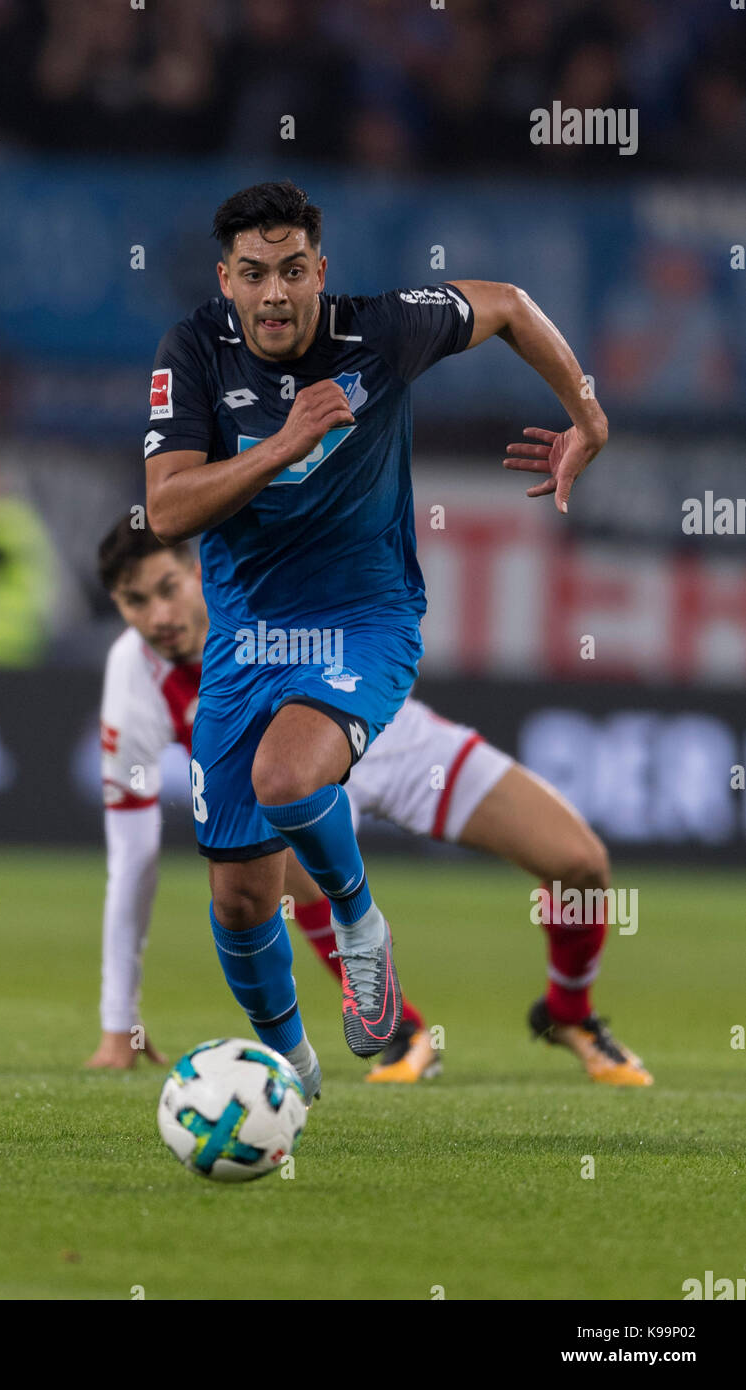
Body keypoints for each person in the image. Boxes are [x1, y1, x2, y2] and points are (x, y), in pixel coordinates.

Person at [143, 179, 610, 1103]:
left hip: (365, 621)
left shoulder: (383, 330)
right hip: (244, 643)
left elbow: (510, 305)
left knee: (286, 779)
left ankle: (361, 934)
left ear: (320, 269)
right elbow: (166, 508)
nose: (273, 294)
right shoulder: (193, 348)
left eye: (289, 271)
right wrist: (283, 441)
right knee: (239, 903)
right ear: (225, 280)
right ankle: (296, 1083)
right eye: (251, 275)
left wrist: (587, 418)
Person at [88, 520, 651, 1089]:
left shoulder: (265, 585)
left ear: (199, 572)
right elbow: (132, 857)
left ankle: (570, 1014)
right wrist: (118, 1021)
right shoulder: (134, 675)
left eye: (167, 588)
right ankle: (402, 1035)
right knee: (286, 853)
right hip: (290, 784)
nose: (158, 616)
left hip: (392, 744)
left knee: (580, 865)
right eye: (135, 601)